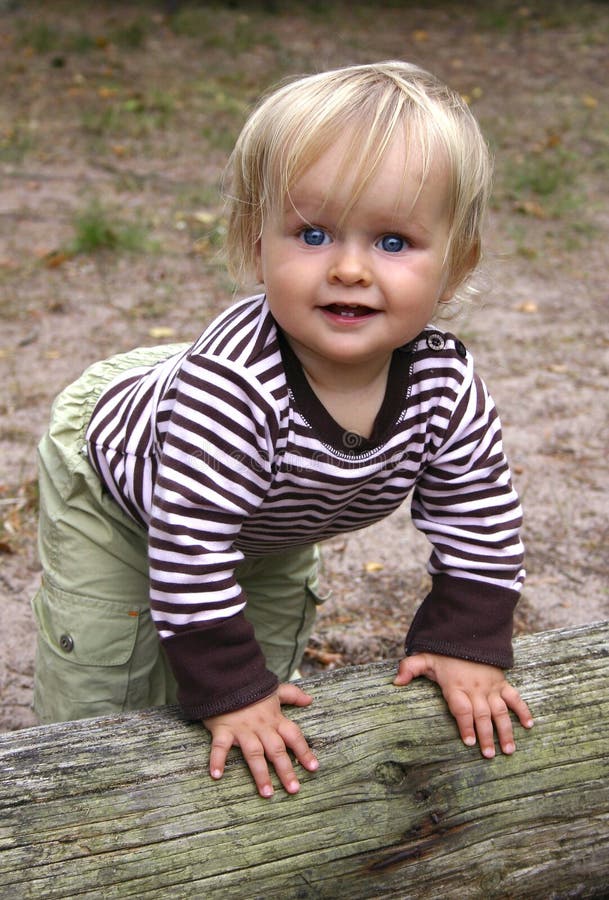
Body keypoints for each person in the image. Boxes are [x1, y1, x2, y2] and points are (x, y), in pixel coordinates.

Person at [33, 60, 534, 799]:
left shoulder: (444, 384)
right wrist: (231, 690)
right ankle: (70, 809)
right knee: (111, 668)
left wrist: (464, 640)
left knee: (264, 671)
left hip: (261, 511)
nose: (351, 269)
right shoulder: (232, 393)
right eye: (313, 233)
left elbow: (480, 517)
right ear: (256, 240)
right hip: (122, 482)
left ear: (455, 266)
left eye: (393, 242)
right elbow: (191, 542)